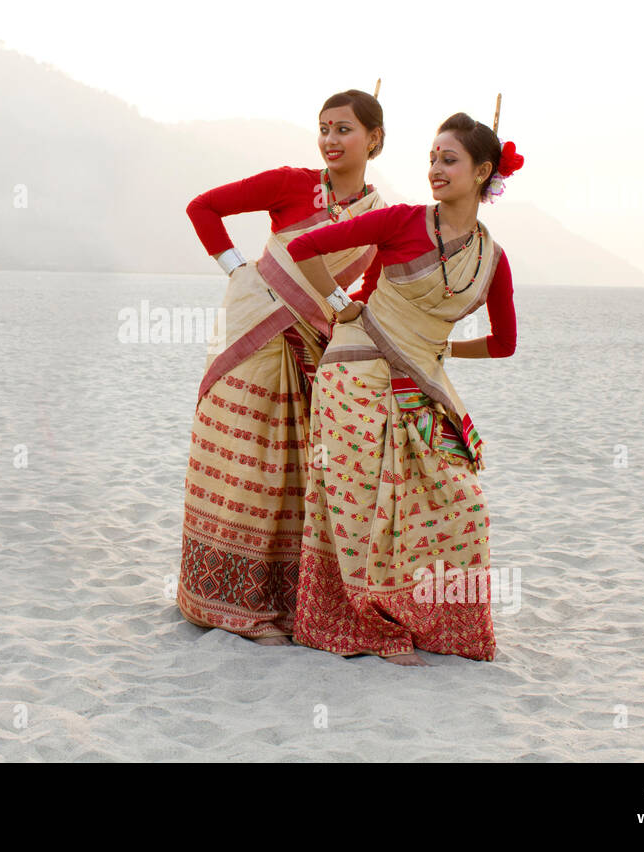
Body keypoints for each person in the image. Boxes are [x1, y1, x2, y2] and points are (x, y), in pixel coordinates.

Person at [285, 110, 524, 664]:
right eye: (432, 160)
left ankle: (425, 619)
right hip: (354, 371)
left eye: (449, 160)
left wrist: (439, 351)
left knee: (458, 505)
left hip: (419, 383)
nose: (435, 170)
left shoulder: (493, 260)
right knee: (364, 504)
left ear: (482, 171)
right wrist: (343, 304)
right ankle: (364, 624)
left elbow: (504, 343)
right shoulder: (400, 221)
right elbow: (305, 248)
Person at [178, 89, 389, 644]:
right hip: (255, 338)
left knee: (293, 474)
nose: (330, 140)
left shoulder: (380, 219)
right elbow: (203, 207)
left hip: (310, 350)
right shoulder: (291, 183)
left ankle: (281, 597)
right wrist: (238, 271)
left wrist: (346, 321)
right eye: (323, 128)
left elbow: (368, 290)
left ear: (375, 139)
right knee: (247, 463)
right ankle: (219, 599)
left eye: (343, 129)